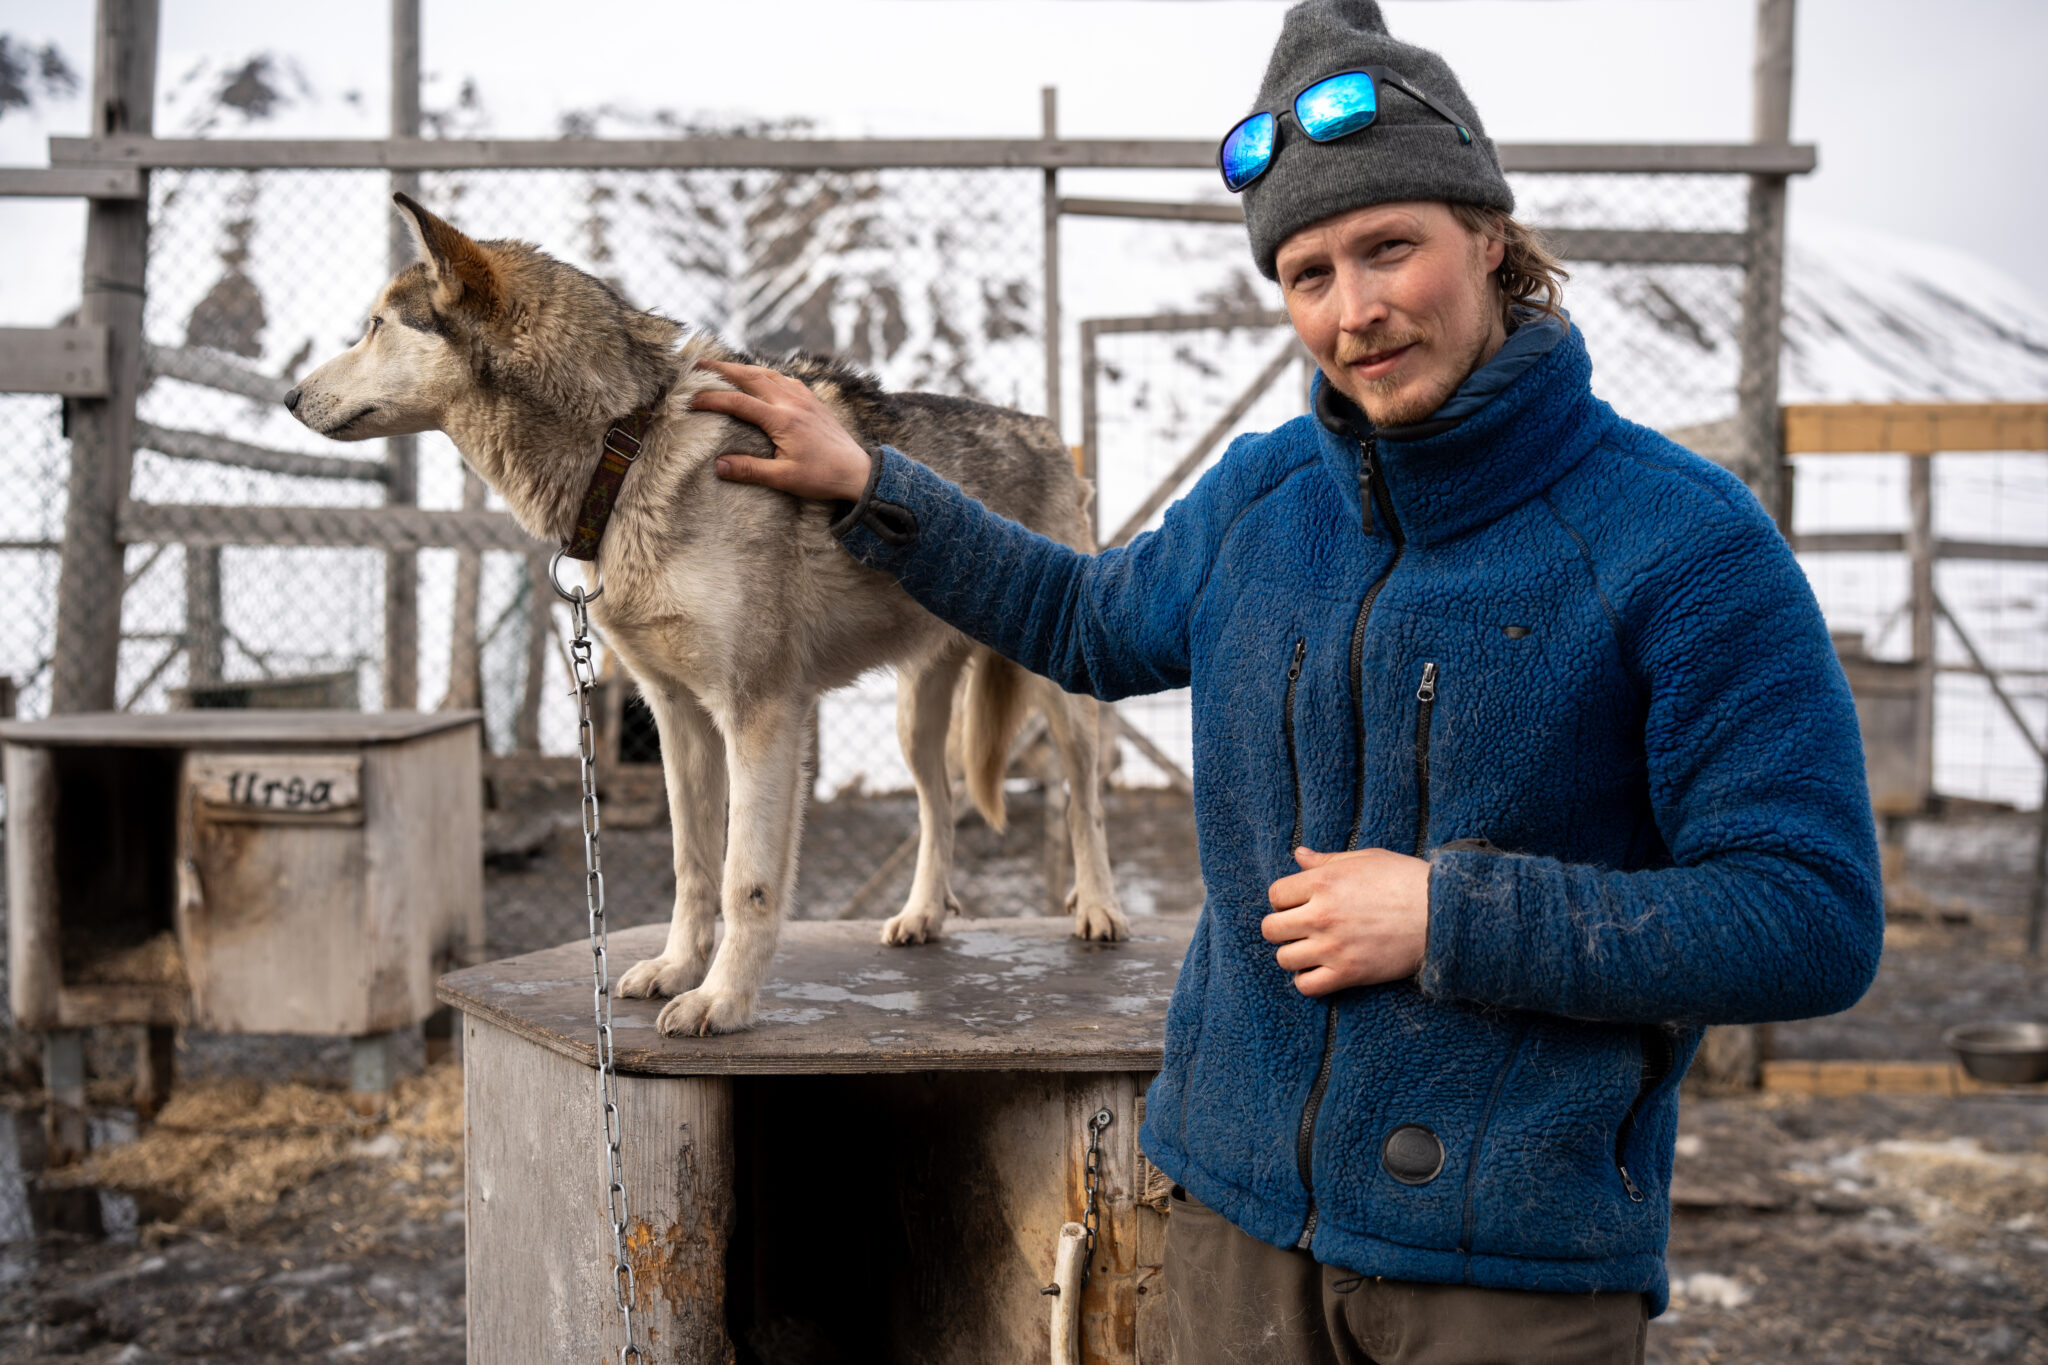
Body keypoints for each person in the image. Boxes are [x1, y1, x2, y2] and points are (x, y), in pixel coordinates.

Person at [692, 2, 1884, 1359]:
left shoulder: (1681, 539)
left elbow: (1812, 913)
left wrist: (1451, 913)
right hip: (1234, 1217)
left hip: (1510, 1270)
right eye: (1309, 272)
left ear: (1490, 238)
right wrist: (874, 489)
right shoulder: (1268, 498)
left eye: (1391, 249)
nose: (1355, 311)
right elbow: (1080, 619)